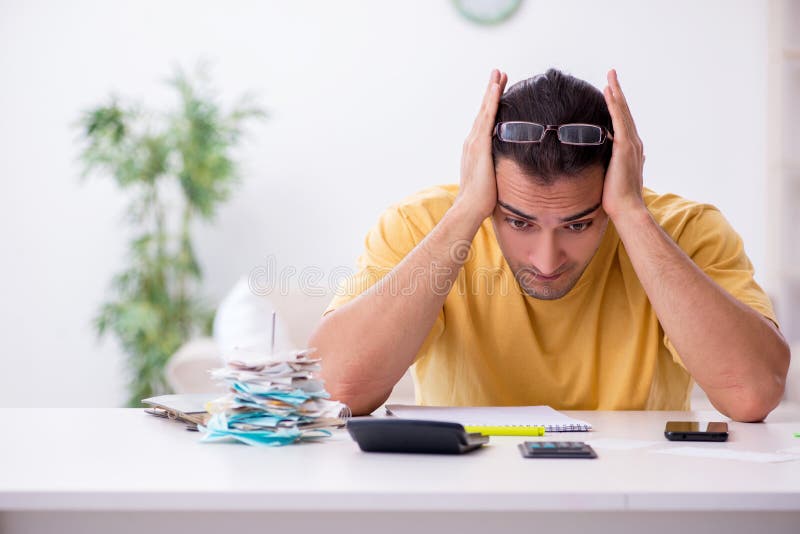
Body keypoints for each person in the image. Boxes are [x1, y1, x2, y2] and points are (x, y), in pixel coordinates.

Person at [308, 68, 790, 421]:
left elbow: (750, 394)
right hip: (467, 498)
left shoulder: (685, 231)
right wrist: (467, 212)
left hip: (637, 497)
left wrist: (631, 213)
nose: (546, 260)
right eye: (519, 222)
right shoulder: (422, 225)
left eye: (578, 225)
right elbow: (336, 389)